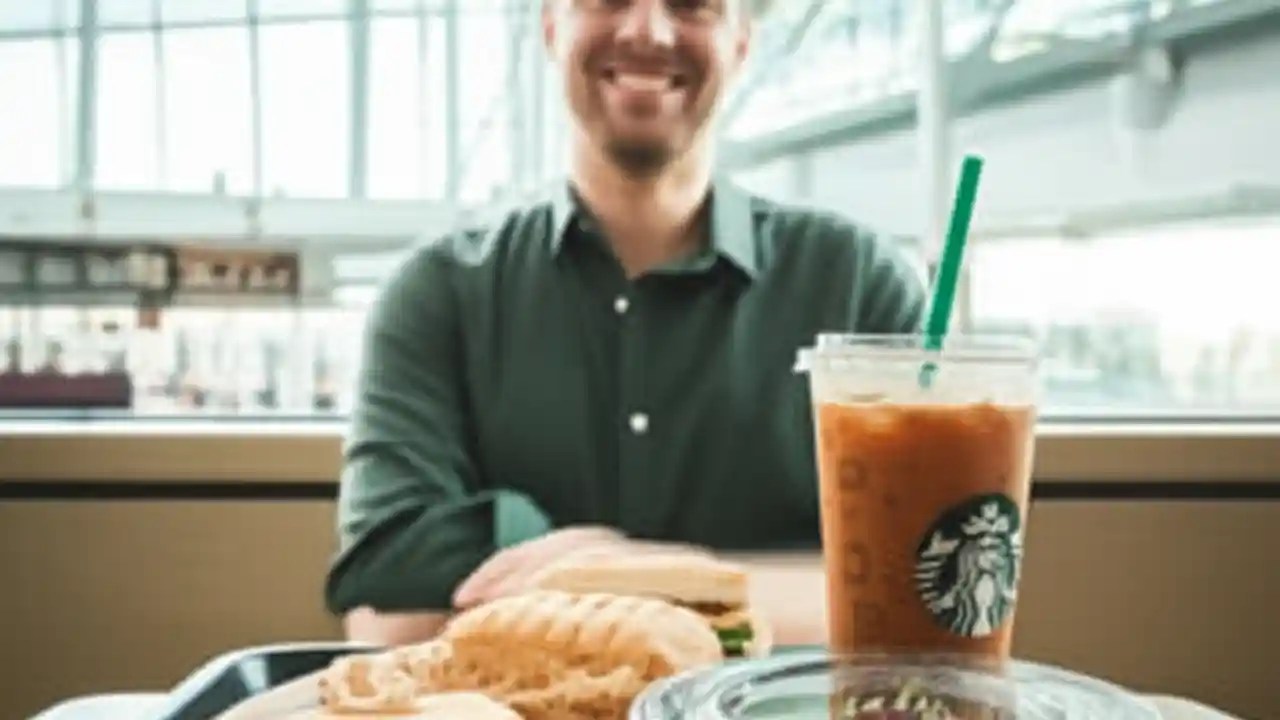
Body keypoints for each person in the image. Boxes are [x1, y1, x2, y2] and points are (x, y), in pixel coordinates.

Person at [327, 0, 926, 646]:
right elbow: (386, 615)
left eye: (692, 4)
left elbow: (919, 595)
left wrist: (633, 578)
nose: (648, 29)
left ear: (741, 44)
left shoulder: (858, 284)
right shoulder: (437, 295)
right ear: (552, 27)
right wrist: (764, 592)